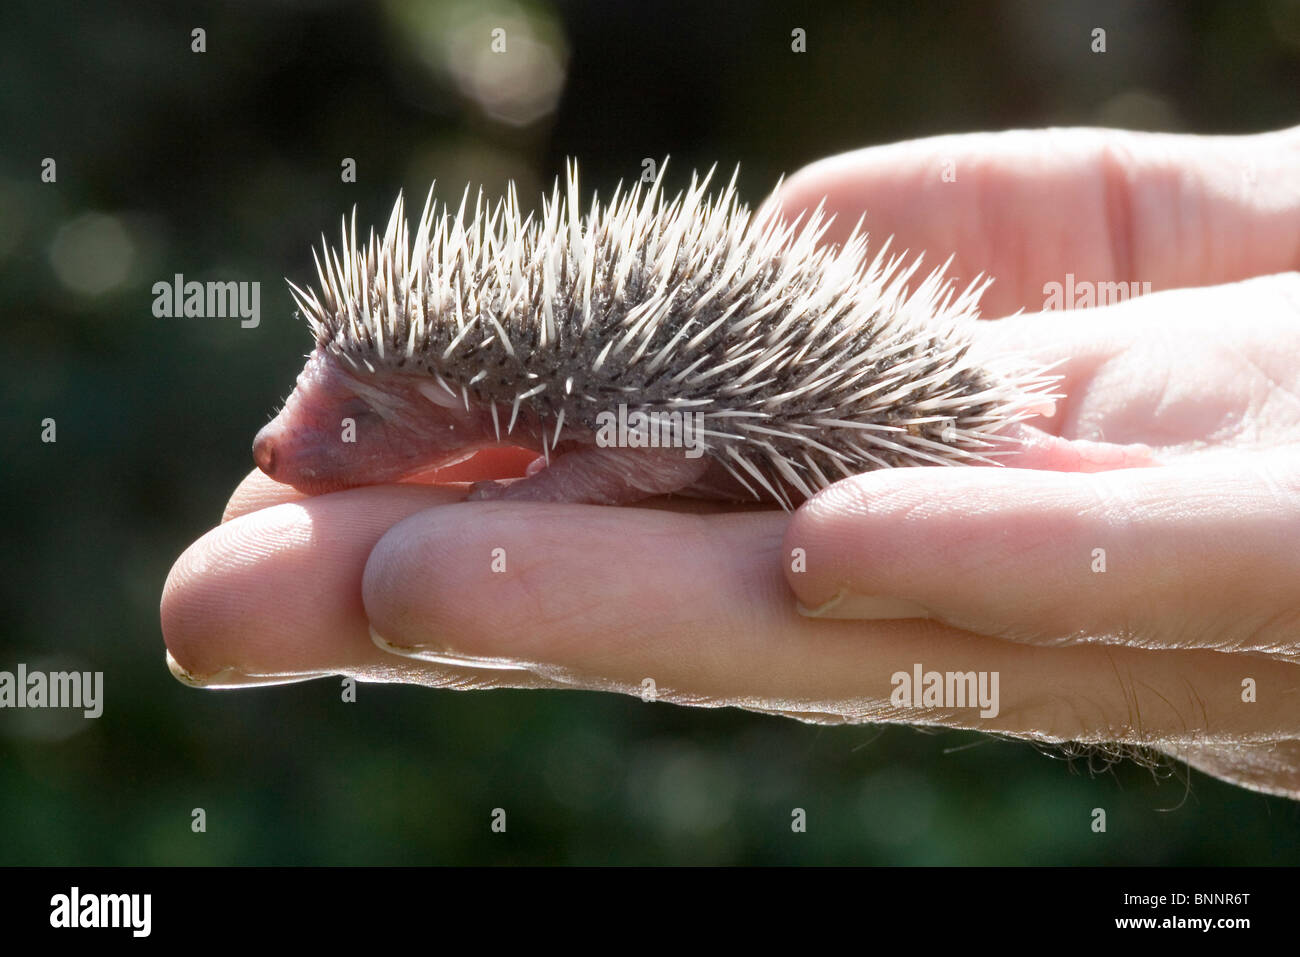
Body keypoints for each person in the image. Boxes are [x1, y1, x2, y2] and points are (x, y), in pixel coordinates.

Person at [161, 126, 1300, 799]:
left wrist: (548, 489)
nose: (293, 449)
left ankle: (1057, 457)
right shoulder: (510, 375)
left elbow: (661, 444)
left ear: (454, 399)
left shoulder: (567, 383)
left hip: (868, 410)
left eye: (351, 421)